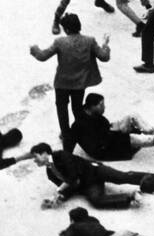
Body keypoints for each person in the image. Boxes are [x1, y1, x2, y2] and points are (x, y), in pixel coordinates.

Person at [29, 14, 110, 149]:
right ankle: (80, 131)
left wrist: (34, 49)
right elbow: (104, 57)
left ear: (66, 29)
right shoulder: (90, 41)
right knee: (77, 108)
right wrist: (105, 45)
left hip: (62, 83)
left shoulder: (60, 42)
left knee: (62, 109)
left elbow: (42, 56)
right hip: (79, 84)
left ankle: (66, 134)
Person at [26, 143, 154, 209]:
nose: (35, 160)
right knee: (97, 201)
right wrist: (61, 197)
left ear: (45, 152)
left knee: (122, 177)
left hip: (94, 171)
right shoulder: (50, 173)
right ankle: (130, 197)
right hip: (88, 184)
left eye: (35, 156)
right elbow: (71, 187)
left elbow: (72, 177)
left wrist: (58, 192)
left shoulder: (61, 155)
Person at [70, 93, 154, 161]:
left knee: (132, 116)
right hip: (104, 148)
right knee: (132, 139)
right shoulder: (81, 124)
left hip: (108, 133)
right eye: (101, 105)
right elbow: (94, 142)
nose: (104, 107)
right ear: (92, 106)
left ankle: (153, 133)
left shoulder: (91, 114)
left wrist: (118, 129)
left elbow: (106, 127)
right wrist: (119, 132)